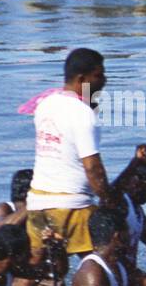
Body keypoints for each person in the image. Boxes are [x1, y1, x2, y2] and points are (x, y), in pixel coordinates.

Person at [26, 48, 113, 264]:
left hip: (38, 202)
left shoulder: (45, 103)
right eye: (99, 75)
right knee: (100, 262)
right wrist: (108, 201)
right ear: (82, 79)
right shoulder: (81, 113)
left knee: (32, 272)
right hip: (72, 205)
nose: (104, 81)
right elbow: (92, 167)